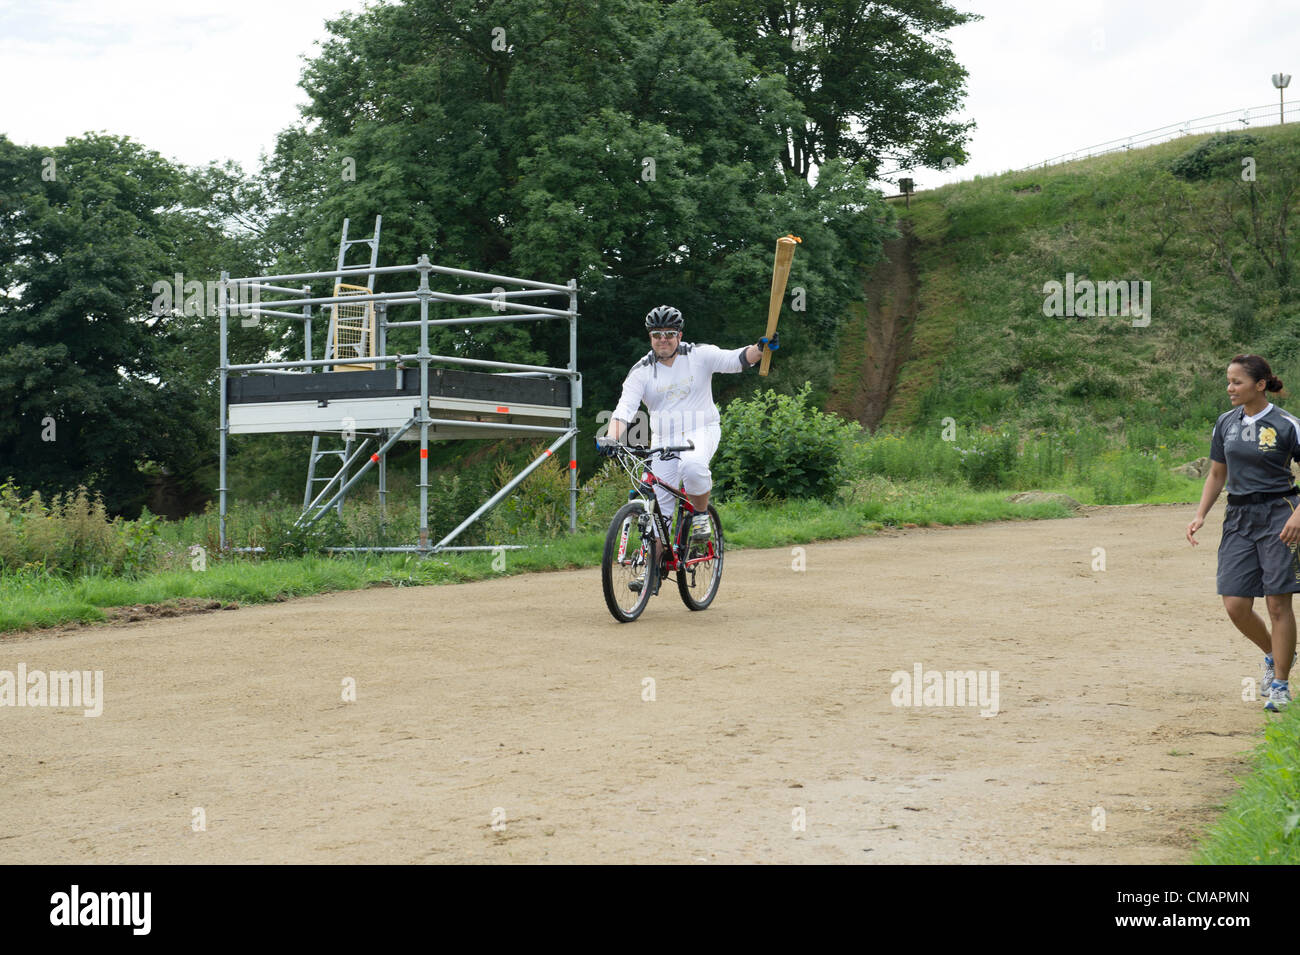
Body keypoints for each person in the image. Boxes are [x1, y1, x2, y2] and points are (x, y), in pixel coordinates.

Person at [596, 305, 778, 588]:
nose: (663, 339)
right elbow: (624, 410)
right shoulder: (641, 371)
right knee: (660, 515)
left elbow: (735, 360)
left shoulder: (699, 355)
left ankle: (702, 517)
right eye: (657, 335)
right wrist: (610, 437)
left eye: (669, 334)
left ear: (679, 335)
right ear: (650, 337)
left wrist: (760, 347)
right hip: (663, 441)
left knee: (693, 467)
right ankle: (652, 570)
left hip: (701, 429)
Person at [1187, 354, 1300, 712]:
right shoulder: (1225, 423)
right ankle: (1273, 654)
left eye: (1237, 382)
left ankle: (1280, 686)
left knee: (1277, 602)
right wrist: (1201, 514)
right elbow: (1217, 474)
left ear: (1260, 385)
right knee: (1235, 603)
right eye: (1228, 381)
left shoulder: (1288, 424)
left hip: (1279, 515)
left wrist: (1299, 514)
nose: (1229, 388)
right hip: (1238, 516)